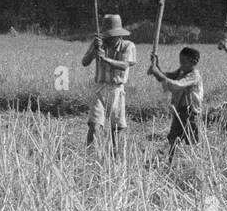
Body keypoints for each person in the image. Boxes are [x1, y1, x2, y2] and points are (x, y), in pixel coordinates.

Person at [81, 13, 136, 157]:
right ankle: (90, 155)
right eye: (107, 36)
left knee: (117, 127)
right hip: (100, 88)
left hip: (116, 89)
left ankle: (116, 155)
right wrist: (94, 50)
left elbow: (124, 65)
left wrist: (105, 59)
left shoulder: (127, 46)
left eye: (112, 36)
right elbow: (85, 62)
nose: (109, 39)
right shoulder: (98, 44)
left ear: (118, 35)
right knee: (94, 124)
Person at [148, 46, 204, 164]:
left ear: (193, 62)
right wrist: (156, 66)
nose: (181, 64)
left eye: (183, 62)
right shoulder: (181, 72)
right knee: (173, 138)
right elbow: (164, 77)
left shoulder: (194, 75)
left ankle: (196, 163)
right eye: (180, 61)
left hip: (190, 113)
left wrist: (157, 72)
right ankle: (170, 161)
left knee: (191, 141)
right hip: (179, 111)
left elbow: (176, 85)